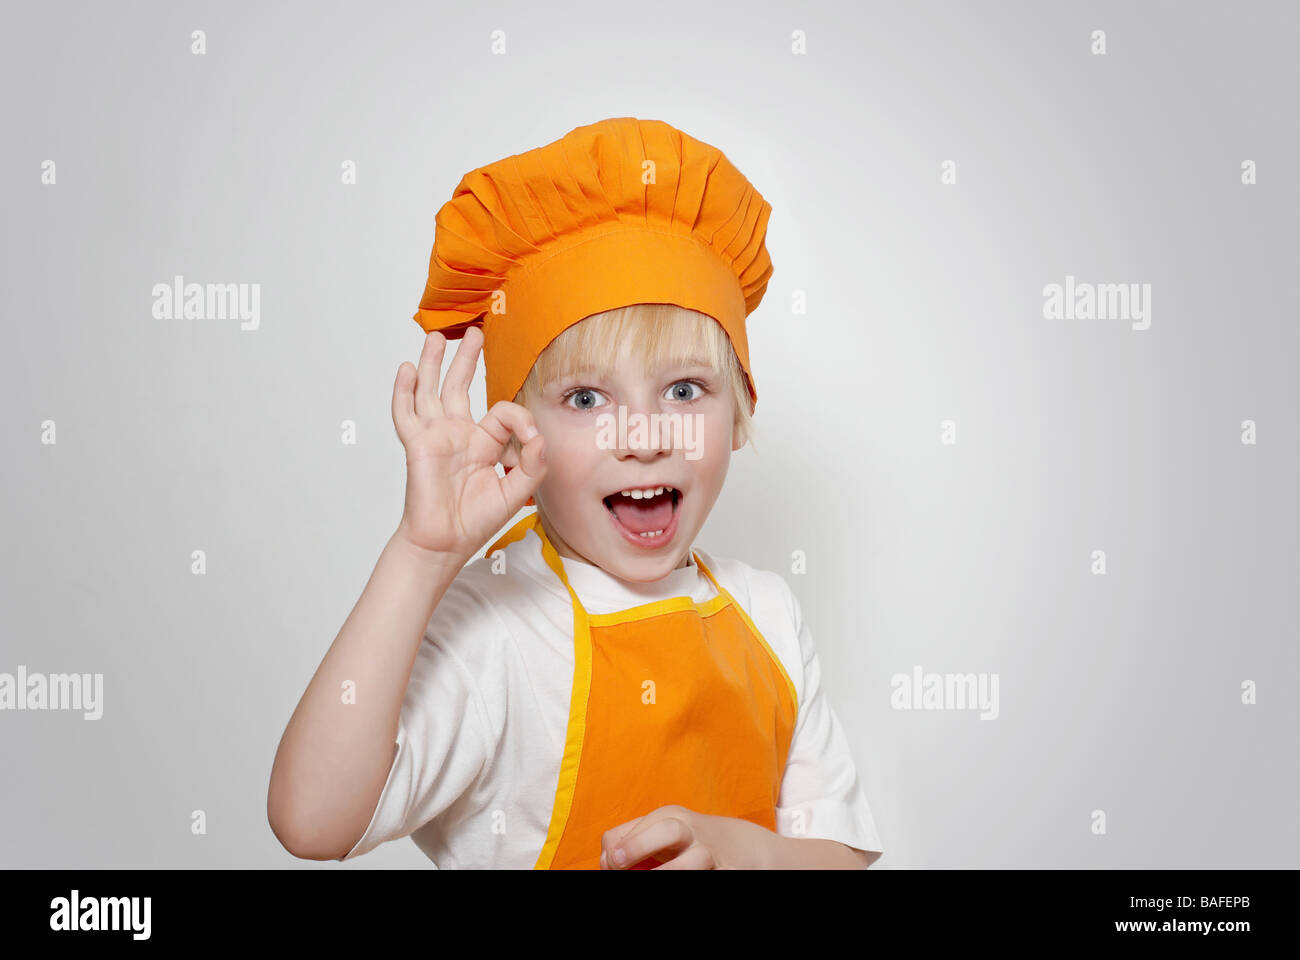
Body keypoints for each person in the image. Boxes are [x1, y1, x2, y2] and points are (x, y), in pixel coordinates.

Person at [267, 117, 882, 869]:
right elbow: (311, 822)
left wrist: (736, 851)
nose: (644, 436)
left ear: (738, 413)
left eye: (684, 389)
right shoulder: (496, 629)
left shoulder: (769, 617)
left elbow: (840, 856)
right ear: (518, 435)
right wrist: (422, 555)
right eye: (587, 399)